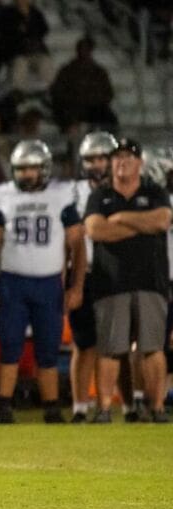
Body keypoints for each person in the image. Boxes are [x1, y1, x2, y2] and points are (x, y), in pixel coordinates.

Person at [0, 140, 83, 424]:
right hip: (13, 283)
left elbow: (77, 242)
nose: (26, 174)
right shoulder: (3, 194)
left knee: (48, 349)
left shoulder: (60, 195)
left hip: (49, 283)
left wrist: (76, 285)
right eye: (21, 169)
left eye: (32, 168)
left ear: (45, 169)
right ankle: (3, 406)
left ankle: (51, 407)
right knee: (10, 346)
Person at [83, 137, 171, 423]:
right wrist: (139, 225)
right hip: (111, 283)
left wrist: (120, 218)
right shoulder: (100, 195)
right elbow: (96, 230)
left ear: (140, 162)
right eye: (118, 157)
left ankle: (156, 407)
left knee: (152, 347)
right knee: (110, 348)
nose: (123, 162)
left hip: (150, 280)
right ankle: (105, 408)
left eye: (129, 157)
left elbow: (161, 221)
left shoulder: (154, 191)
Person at [67, 131, 116, 422]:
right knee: (84, 344)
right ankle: (79, 407)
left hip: (117, 272)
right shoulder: (72, 192)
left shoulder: (124, 189)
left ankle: (114, 406)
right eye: (91, 159)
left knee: (114, 344)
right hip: (84, 272)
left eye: (102, 158)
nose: (96, 164)